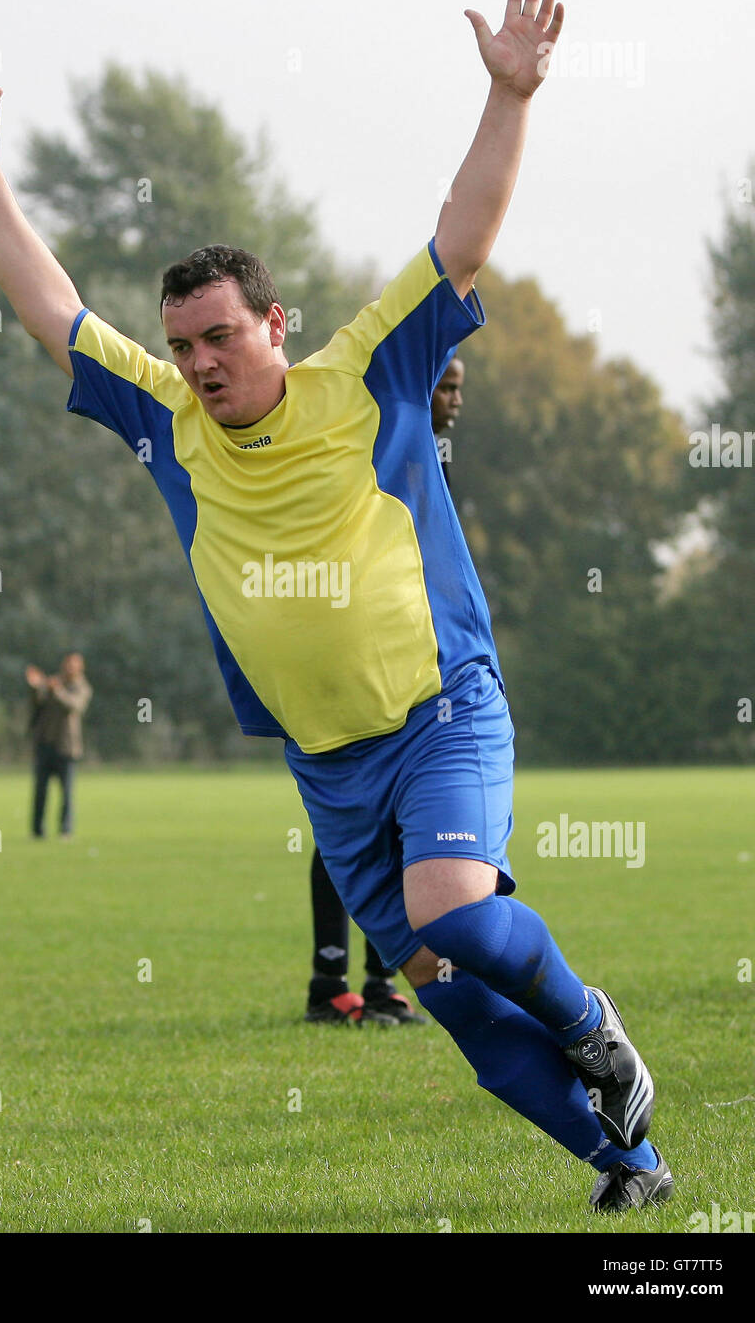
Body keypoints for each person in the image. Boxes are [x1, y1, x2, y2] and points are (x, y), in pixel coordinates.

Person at [0, 0, 672, 1212]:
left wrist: (510, 94)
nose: (200, 361)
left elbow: (462, 235)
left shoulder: (368, 368)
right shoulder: (167, 423)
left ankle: (596, 1023)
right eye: (184, 344)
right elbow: (56, 314)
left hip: (439, 710)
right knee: (468, 1021)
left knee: (462, 918)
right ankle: (628, 1166)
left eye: (221, 335)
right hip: (328, 764)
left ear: (276, 322)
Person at [305, 358, 464, 1026]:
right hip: (355, 662)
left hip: (414, 666)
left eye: (459, 387)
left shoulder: (435, 456)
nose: (454, 399)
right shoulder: (367, 445)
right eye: (444, 385)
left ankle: (377, 981)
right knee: (346, 828)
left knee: (398, 830)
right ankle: (328, 983)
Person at [26, 653, 92, 838]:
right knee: (40, 791)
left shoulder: (83, 687)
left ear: (80, 668)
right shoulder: (53, 682)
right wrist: (35, 686)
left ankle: (66, 830)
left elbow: (74, 706)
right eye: (67, 664)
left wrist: (57, 691)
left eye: (74, 665)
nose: (69, 668)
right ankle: (37, 831)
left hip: (67, 747)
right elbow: (37, 703)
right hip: (45, 743)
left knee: (67, 793)